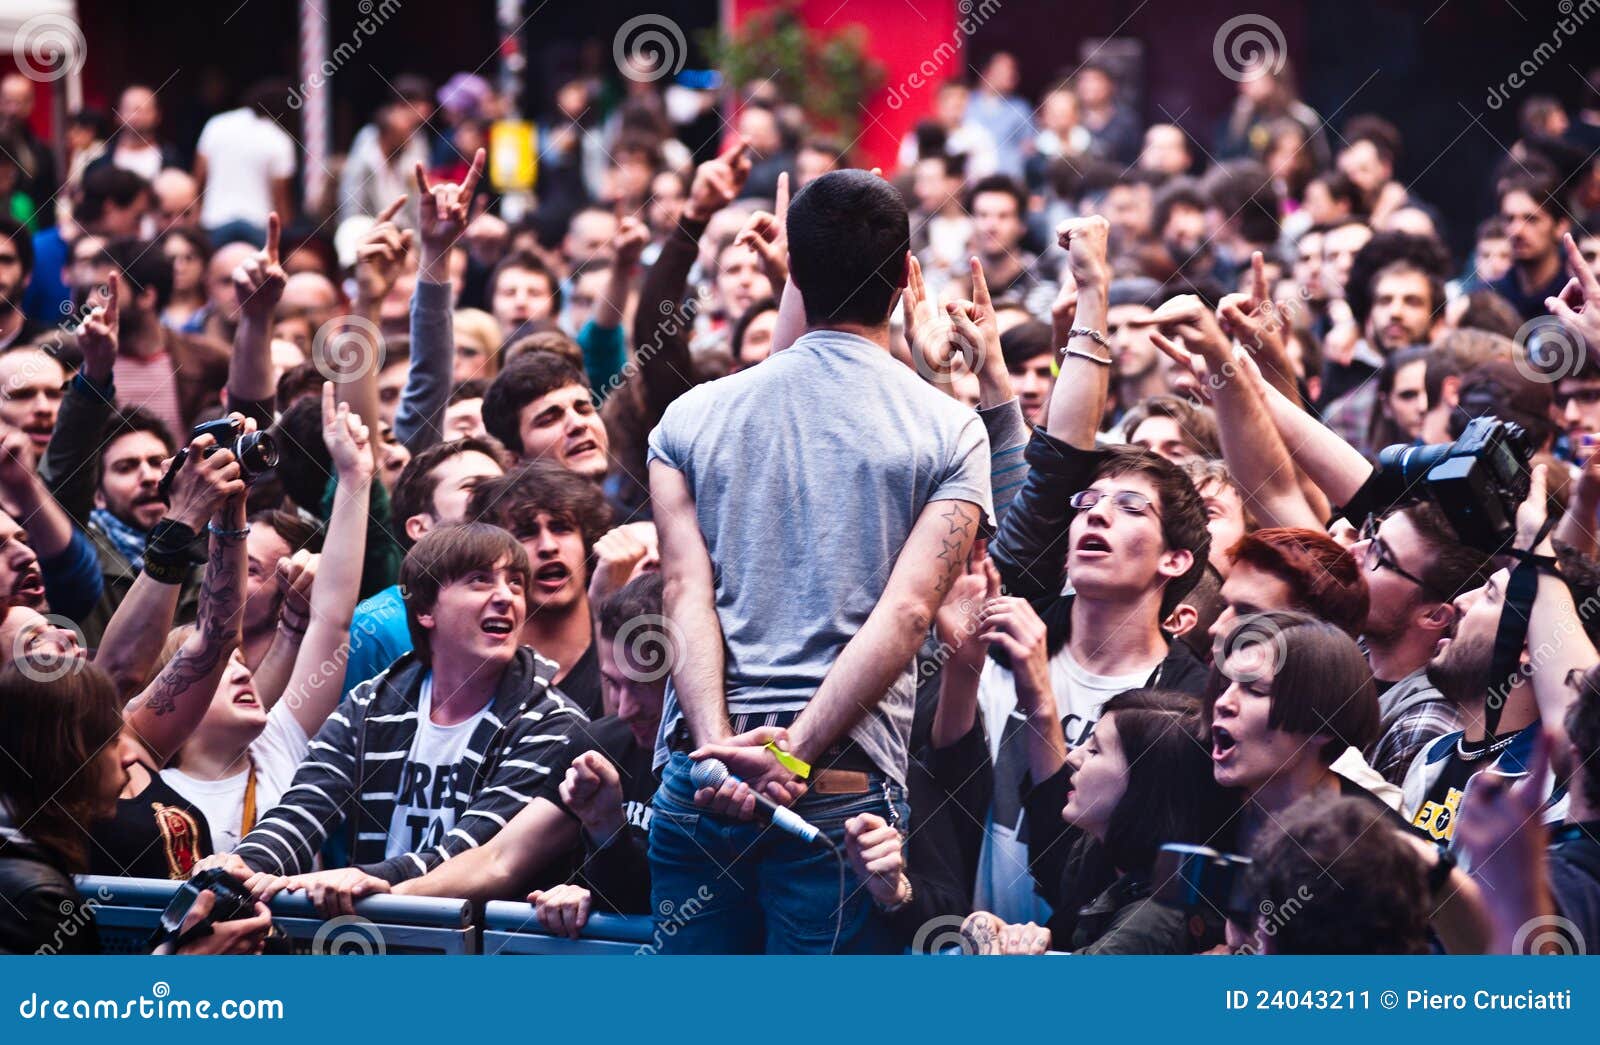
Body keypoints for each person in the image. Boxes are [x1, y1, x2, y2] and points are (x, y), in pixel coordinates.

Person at [646, 168, 991, 954]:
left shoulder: (689, 417)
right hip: (838, 792)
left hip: (702, 777)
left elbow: (683, 593)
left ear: (791, 274)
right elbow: (908, 617)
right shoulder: (948, 428)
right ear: (909, 278)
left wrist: (721, 752)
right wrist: (788, 753)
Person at [229, 523, 588, 899]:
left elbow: (472, 852)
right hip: (376, 940)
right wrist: (244, 865)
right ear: (424, 611)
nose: (506, 597)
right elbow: (304, 808)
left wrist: (359, 879)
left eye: (515, 583)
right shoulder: (371, 703)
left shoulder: (554, 724)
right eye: (480, 581)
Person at [161, 385, 371, 854]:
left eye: (237, 662)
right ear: (169, 697)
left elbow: (332, 619)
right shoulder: (146, 785)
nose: (240, 672)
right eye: (218, 669)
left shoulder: (278, 748)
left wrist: (355, 476)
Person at [0, 663, 273, 955]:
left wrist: (170, 948)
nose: (131, 756)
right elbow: (50, 1002)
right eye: (113, 740)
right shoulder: (32, 900)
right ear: (63, 756)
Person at [962, 689, 1239, 954]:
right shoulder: (1095, 855)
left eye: (1094, 751)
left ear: (1146, 788)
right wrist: (994, 929)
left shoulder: (1153, 920)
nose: (1073, 757)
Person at [341, 436, 508, 696]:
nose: (496, 499)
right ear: (421, 527)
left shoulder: (524, 604)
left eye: (503, 489)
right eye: (474, 487)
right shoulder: (376, 627)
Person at [465, 460, 614, 716]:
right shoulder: (479, 665)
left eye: (561, 528)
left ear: (589, 544)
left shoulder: (629, 644)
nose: (548, 546)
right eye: (525, 533)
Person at [193, 79, 296, 245]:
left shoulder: (217, 124)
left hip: (214, 222)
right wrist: (287, 238)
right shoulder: (280, 139)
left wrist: (194, 218)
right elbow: (281, 199)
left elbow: (198, 178)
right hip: (257, 225)